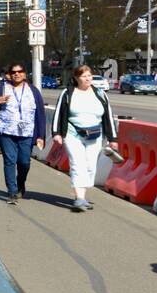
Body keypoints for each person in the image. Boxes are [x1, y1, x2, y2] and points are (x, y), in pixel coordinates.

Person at [51, 64, 118, 212]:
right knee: (77, 164)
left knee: (90, 166)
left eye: (89, 75)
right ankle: (79, 198)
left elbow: (108, 116)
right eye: (83, 76)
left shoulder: (100, 94)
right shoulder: (68, 93)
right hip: (73, 134)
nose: (87, 78)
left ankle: (83, 196)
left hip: (95, 135)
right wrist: (56, 133)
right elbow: (59, 113)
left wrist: (113, 139)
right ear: (76, 78)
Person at [0, 62, 46, 204]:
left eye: (20, 71)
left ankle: (20, 183)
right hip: (5, 131)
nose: (17, 74)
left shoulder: (33, 90)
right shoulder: (2, 88)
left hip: (26, 132)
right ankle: (12, 192)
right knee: (10, 160)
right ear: (10, 74)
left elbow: (40, 114)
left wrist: (41, 135)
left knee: (24, 162)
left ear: (24, 73)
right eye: (14, 72)